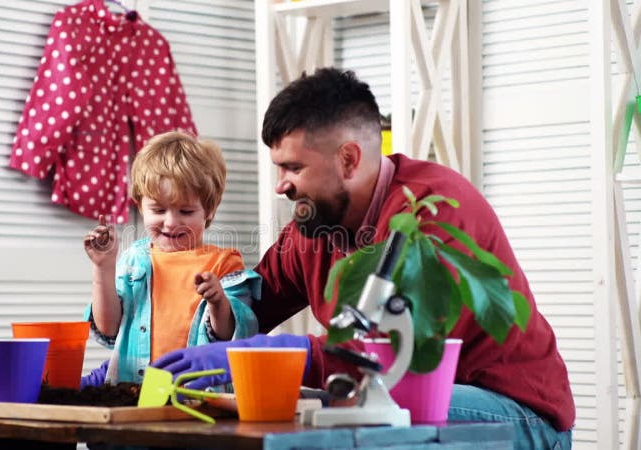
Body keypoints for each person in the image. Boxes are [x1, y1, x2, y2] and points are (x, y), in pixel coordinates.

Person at [151, 68, 574, 449]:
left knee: (348, 425)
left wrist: (269, 356)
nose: (281, 186)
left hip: (516, 412)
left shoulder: (432, 212)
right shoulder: (313, 226)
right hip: (394, 396)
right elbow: (253, 305)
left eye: (293, 168)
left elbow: (378, 354)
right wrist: (182, 320)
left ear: (349, 159)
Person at [80, 131, 261, 386]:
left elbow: (230, 337)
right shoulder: (134, 261)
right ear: (140, 204)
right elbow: (108, 328)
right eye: (158, 209)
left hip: (199, 395)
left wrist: (218, 301)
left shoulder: (223, 264)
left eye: (186, 211)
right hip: (134, 390)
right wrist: (103, 267)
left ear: (208, 211)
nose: (171, 222)